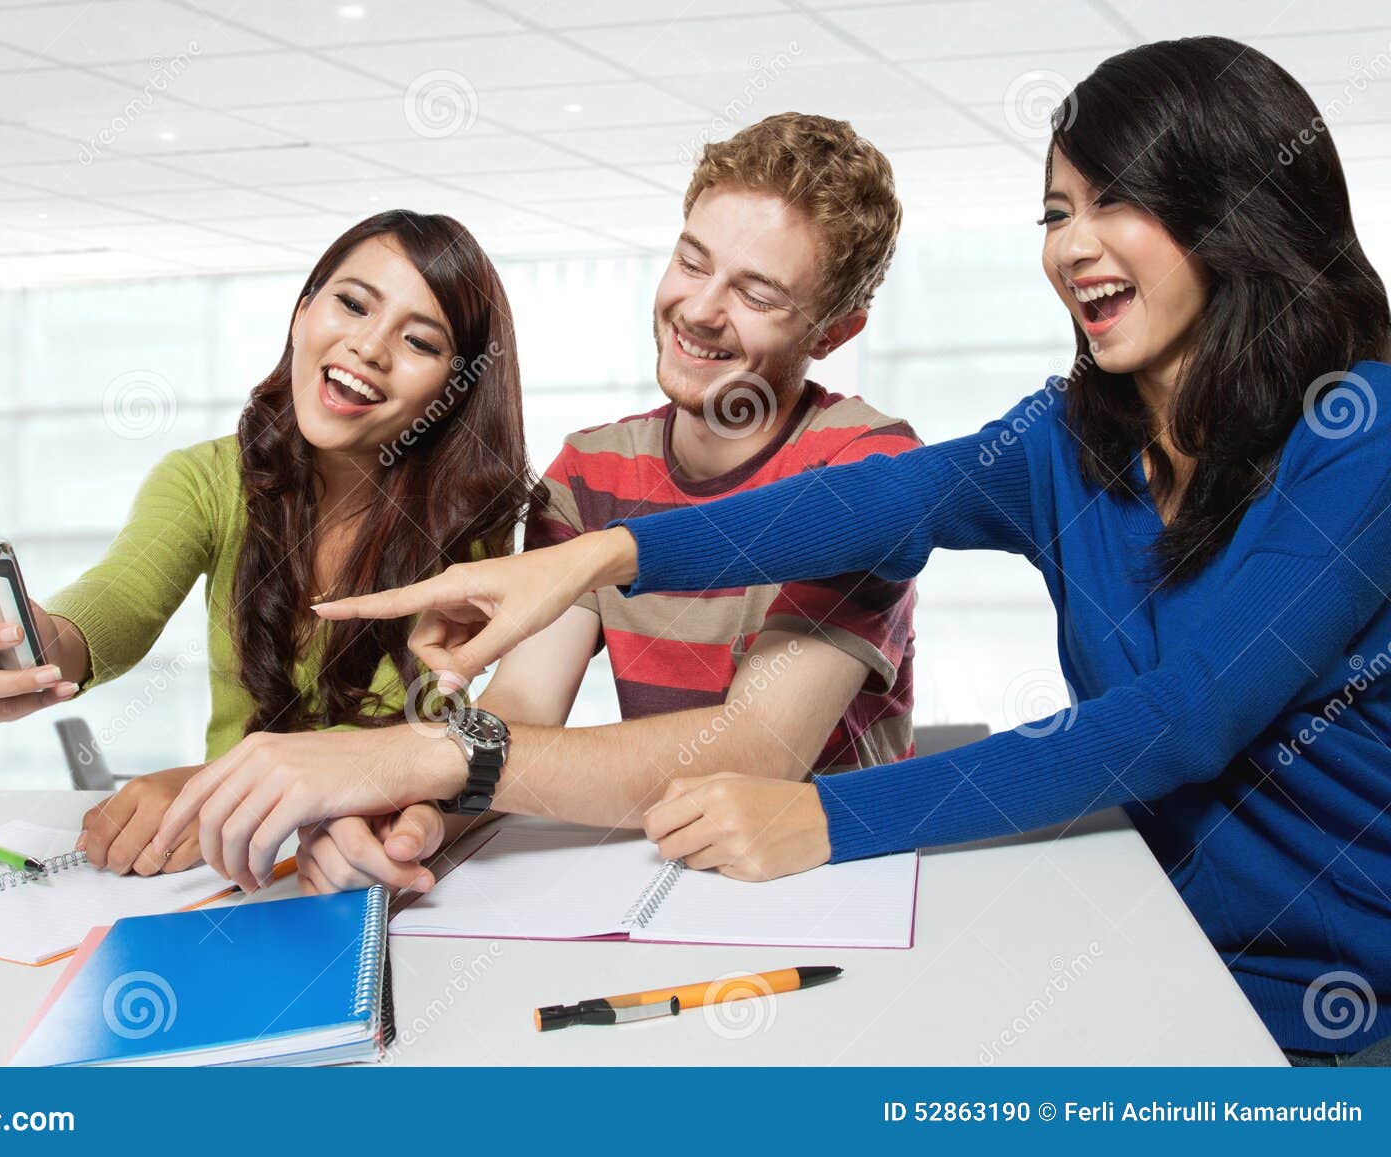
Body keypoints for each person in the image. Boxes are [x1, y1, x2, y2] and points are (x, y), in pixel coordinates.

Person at [295, 39, 1391, 1062]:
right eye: (1057, 209)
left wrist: (829, 814)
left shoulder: (1362, 429)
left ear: (1239, 214)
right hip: (1159, 952)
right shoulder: (1068, 438)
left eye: (1119, 202)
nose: (1072, 244)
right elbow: (858, 507)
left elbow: (1181, 718)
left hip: (1346, 1001)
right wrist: (590, 557)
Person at [153, 112, 922, 898]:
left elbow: (758, 750)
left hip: (831, 889)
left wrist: (417, 759)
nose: (700, 310)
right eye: (693, 262)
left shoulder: (864, 466)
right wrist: (407, 821)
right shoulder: (591, 470)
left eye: (757, 293)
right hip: (669, 879)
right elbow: (522, 712)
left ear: (834, 332)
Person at [0, 210, 535, 878]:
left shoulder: (469, 522)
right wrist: (41, 643)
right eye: (352, 304)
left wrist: (206, 783)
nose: (369, 347)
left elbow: (421, 736)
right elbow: (122, 596)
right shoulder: (209, 479)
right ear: (303, 312)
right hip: (230, 867)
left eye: (419, 342)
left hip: (386, 857)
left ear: (452, 393)